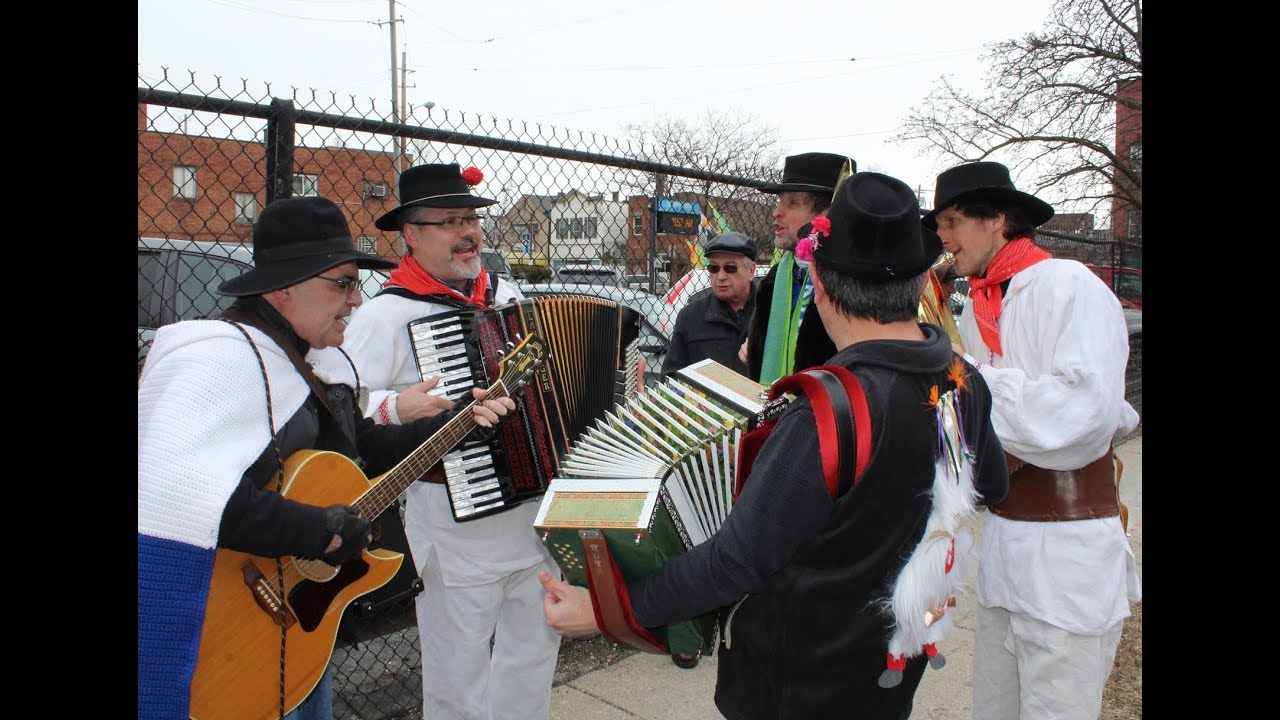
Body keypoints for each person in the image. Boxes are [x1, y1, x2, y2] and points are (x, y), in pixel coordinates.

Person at [541, 172, 1009, 720]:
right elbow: (991, 484)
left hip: (799, 674)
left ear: (824, 289)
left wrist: (607, 610)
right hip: (892, 657)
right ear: (916, 285)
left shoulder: (829, 411)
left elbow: (734, 562)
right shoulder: (961, 380)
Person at [137, 196, 516, 720]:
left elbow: (365, 446)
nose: (357, 301)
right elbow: (180, 499)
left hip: (296, 630)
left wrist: (459, 426)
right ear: (284, 288)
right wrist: (320, 532)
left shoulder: (314, 363)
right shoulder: (218, 359)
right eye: (342, 283)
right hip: (220, 629)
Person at [341, 162, 562, 720]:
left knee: (531, 662)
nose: (468, 232)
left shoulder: (506, 295)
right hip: (454, 526)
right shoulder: (385, 316)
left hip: (534, 516)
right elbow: (333, 407)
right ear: (411, 235)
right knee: (457, 682)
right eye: (449, 222)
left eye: (470, 218)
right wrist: (396, 405)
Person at [923, 160, 1141, 720]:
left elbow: (1083, 415)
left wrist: (967, 379)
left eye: (951, 222)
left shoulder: (1068, 285)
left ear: (996, 219)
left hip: (1067, 551)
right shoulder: (977, 309)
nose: (942, 239)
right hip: (1005, 547)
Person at [742, 152, 854, 385]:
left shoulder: (849, 283)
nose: (776, 212)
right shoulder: (775, 279)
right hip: (775, 416)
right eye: (780, 201)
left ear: (825, 214)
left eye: (792, 203)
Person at [663, 231, 759, 378]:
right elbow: (671, 378)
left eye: (730, 268)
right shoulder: (690, 317)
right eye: (713, 268)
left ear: (751, 271)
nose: (720, 276)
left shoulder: (772, 313)